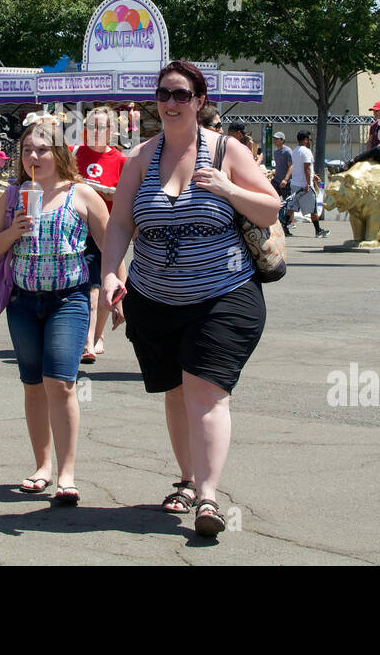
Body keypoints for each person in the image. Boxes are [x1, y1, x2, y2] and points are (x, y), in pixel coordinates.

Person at [100, 60, 279, 538]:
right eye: (164, 95)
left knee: (204, 389)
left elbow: (271, 206)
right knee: (176, 392)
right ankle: (186, 477)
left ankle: (208, 497)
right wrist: (109, 276)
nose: (171, 103)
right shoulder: (140, 157)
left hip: (223, 294)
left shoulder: (227, 150)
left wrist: (225, 186)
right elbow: (120, 224)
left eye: (182, 94)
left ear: (200, 101)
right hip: (153, 297)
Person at [0, 118, 110, 506]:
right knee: (33, 385)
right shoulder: (12, 197)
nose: (33, 156)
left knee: (61, 383)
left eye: (41, 149)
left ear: (58, 153)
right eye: (27, 151)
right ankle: (42, 465)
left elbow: (111, 244)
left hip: (68, 300)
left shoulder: (81, 194)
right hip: (22, 302)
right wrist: (13, 231)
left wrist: (115, 286)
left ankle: (66, 474)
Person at [74, 107, 128, 361]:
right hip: (76, 231)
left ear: (111, 131)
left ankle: (95, 336)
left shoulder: (120, 161)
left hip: (105, 233)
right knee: (88, 289)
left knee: (98, 288)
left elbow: (128, 198)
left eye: (101, 127)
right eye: (91, 127)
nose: (96, 132)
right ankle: (87, 340)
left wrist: (108, 193)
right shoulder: (74, 154)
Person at [285, 131, 328, 237]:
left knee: (292, 207)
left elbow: (301, 168)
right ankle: (318, 231)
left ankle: (284, 228)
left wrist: (313, 176)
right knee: (313, 208)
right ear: (305, 140)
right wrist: (309, 183)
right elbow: (306, 168)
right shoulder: (306, 151)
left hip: (295, 183)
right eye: (309, 139)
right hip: (304, 184)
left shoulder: (295, 151)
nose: (310, 141)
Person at [332, 101, 380, 172]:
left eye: (376, 111)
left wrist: (372, 153)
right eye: (373, 111)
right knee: (373, 151)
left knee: (376, 149)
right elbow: (369, 141)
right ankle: (342, 169)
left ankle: (349, 163)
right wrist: (369, 152)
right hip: (374, 152)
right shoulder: (373, 125)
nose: (374, 113)